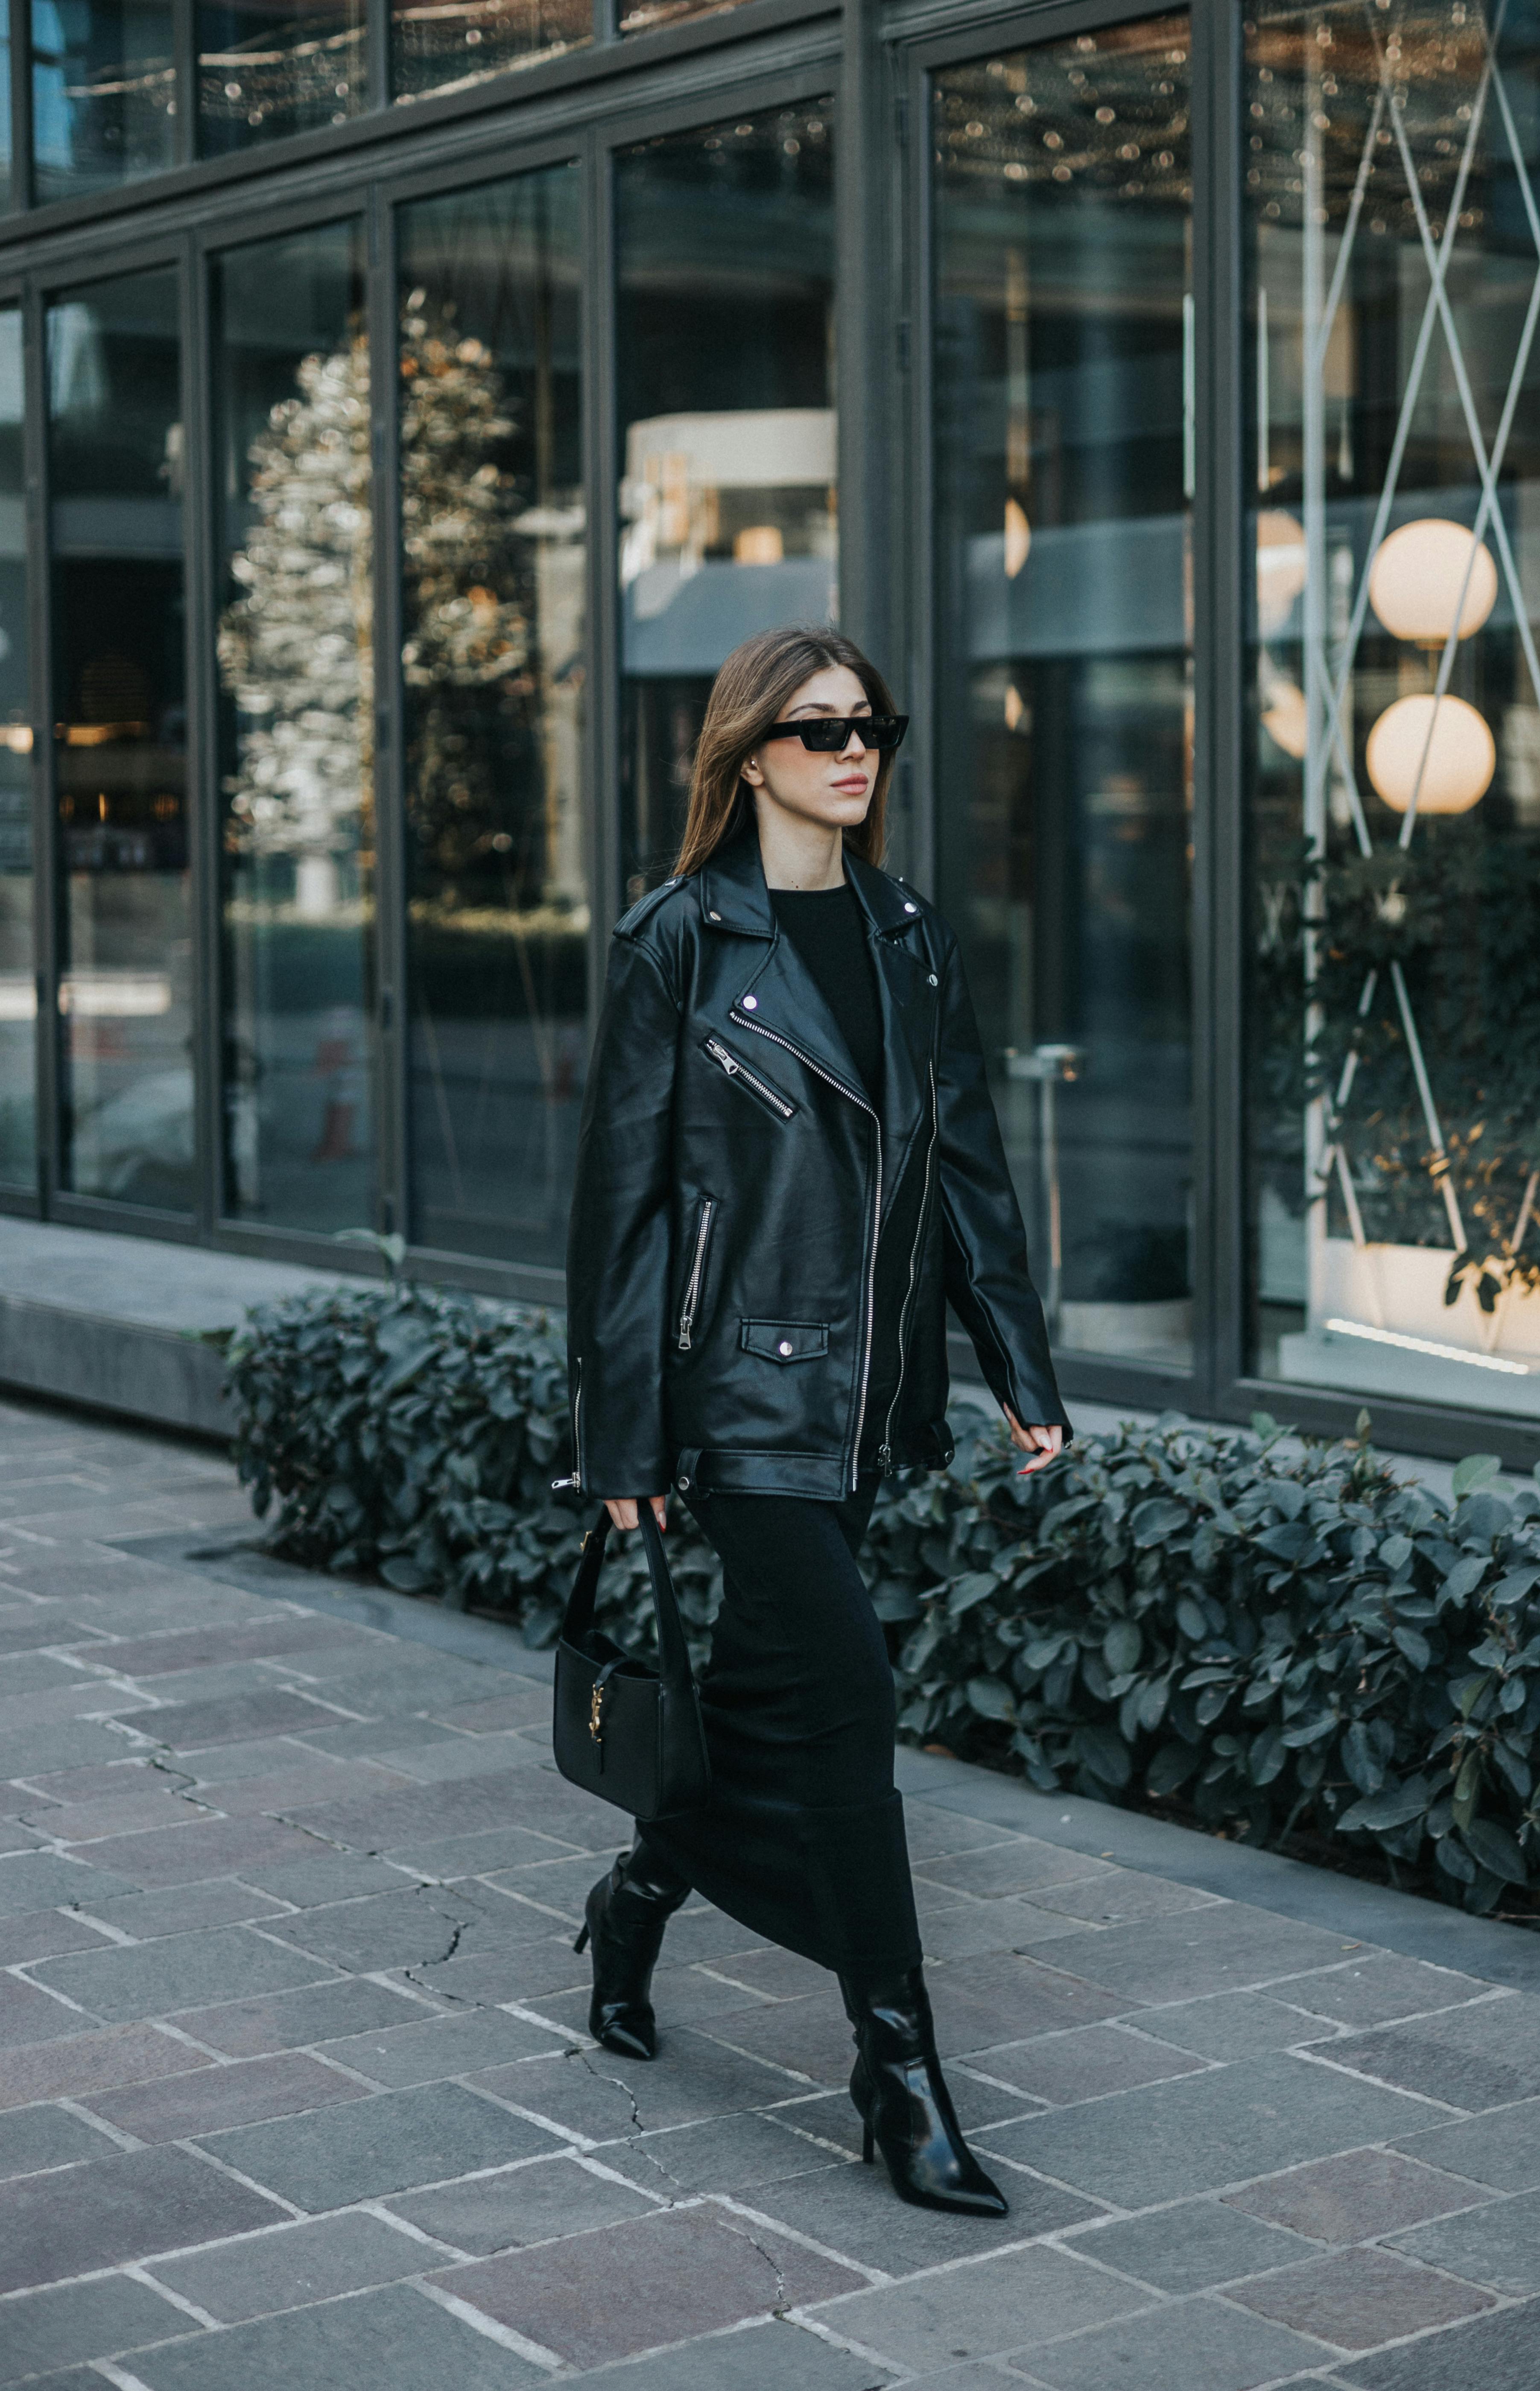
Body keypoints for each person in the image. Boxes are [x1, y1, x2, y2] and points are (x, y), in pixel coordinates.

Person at [564, 623, 1070, 2219]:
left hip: (871, 1401)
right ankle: (898, 2071)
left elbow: (966, 1167)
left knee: (762, 1701)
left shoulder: (910, 933)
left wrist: (1020, 1373)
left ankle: (641, 1892)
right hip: (735, 1403)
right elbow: (624, 1218)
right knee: (849, 1705)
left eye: (874, 727)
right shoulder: (681, 943)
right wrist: (626, 1446)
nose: (856, 753)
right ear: (748, 756)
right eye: (820, 729)